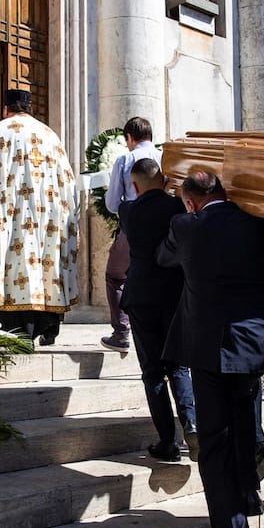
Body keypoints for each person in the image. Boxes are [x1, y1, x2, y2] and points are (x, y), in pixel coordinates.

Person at [157, 168, 264, 528]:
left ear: (191, 199)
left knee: (215, 448)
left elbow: (164, 257)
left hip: (212, 349)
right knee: (246, 428)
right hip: (255, 344)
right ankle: (248, 493)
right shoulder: (259, 224)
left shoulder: (186, 225)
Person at [0, 89, 80, 345]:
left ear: (6, 109)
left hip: (12, 219)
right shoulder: (50, 135)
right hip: (46, 220)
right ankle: (48, 326)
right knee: (44, 267)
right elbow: (69, 185)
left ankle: (16, 331)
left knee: (14, 266)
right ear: (30, 108)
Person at [118, 157, 196, 461]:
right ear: (163, 179)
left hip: (141, 295)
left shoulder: (128, 211)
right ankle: (191, 423)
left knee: (152, 372)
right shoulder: (177, 208)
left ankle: (168, 441)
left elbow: (124, 204)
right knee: (178, 365)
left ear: (135, 185)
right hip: (175, 294)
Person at [101, 117, 160, 352]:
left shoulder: (126, 159)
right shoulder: (164, 156)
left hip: (135, 226)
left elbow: (113, 203)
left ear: (129, 137)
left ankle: (122, 332)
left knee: (115, 276)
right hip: (166, 227)